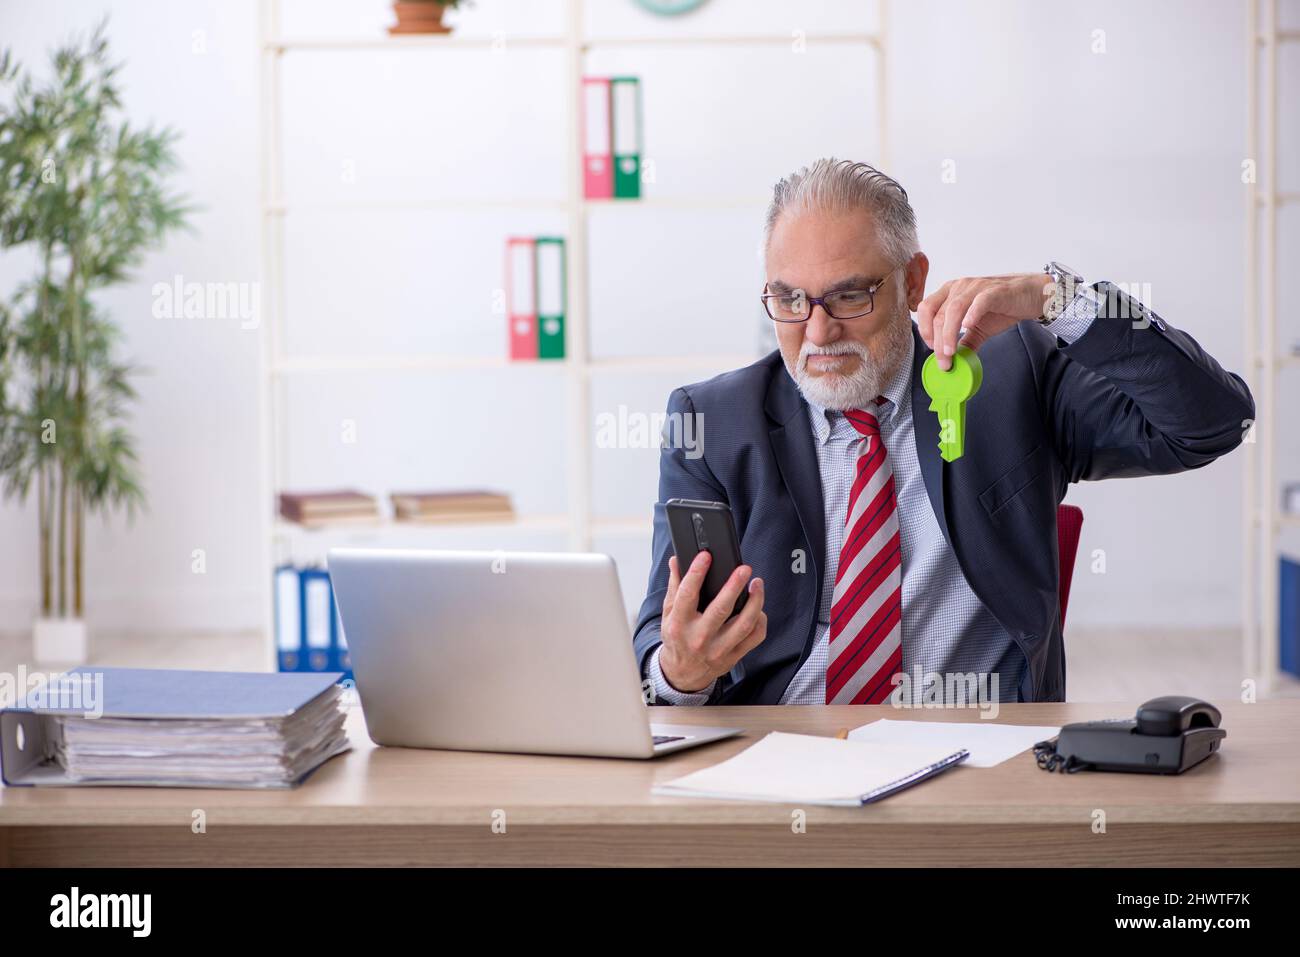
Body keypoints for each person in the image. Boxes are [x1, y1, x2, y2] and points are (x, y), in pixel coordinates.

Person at [632, 157, 1254, 706]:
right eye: (790, 300)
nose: (818, 333)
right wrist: (681, 674)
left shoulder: (1014, 375)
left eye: (850, 297)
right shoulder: (714, 420)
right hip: (781, 756)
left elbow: (1214, 423)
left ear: (913, 281)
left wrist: (1060, 299)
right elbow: (660, 649)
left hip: (972, 754)